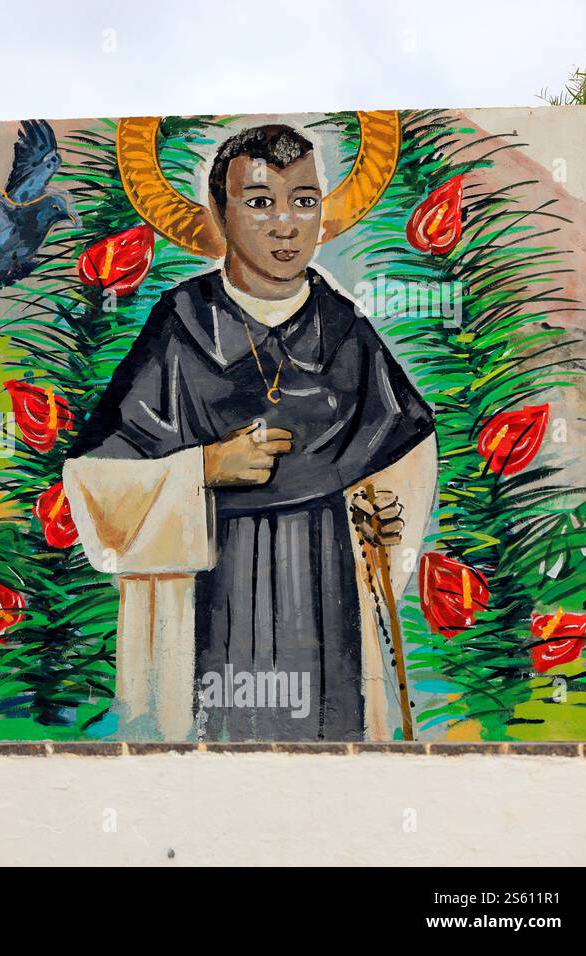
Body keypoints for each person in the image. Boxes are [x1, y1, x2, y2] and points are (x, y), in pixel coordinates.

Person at [64, 125, 437, 741]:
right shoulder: (182, 325)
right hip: (210, 585)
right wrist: (203, 468)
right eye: (260, 202)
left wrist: (379, 513)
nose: (286, 225)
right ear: (218, 212)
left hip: (326, 581)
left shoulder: (344, 329)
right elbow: (99, 476)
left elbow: (404, 448)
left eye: (305, 200)